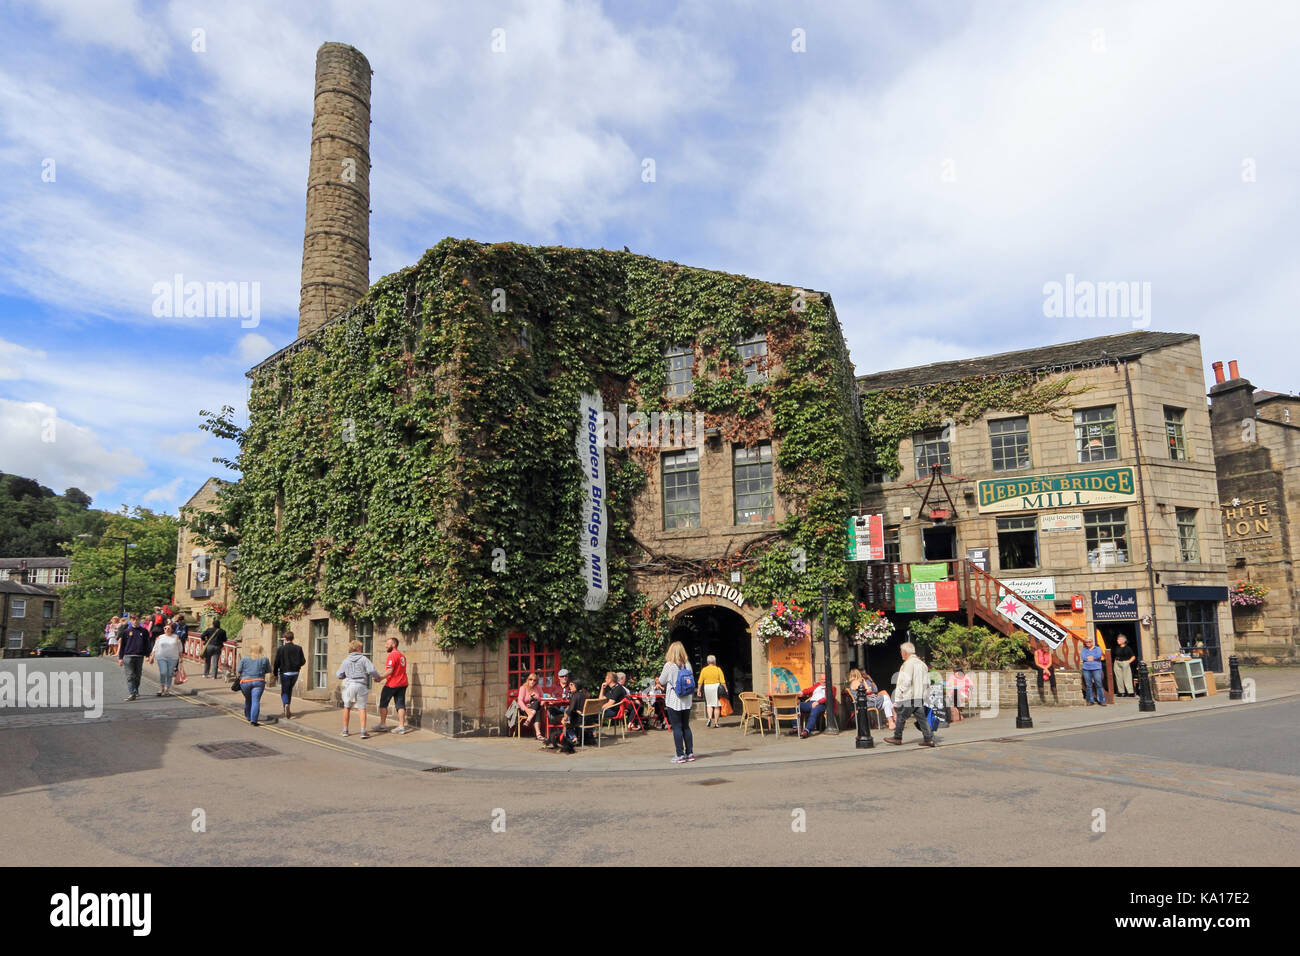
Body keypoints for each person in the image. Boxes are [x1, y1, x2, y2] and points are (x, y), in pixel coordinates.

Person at [885, 642, 935, 747]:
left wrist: (899, 695)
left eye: (901, 651)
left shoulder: (908, 664)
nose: (901, 653)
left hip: (909, 696)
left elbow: (905, 681)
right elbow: (927, 682)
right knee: (922, 719)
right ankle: (928, 739)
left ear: (905, 652)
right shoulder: (922, 664)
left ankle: (897, 738)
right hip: (919, 696)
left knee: (901, 716)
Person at [656, 641, 695, 763]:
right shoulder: (687, 664)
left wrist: (658, 680)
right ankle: (690, 753)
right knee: (686, 727)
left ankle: (680, 755)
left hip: (674, 700)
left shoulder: (669, 665)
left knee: (677, 727)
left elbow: (662, 681)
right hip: (687, 700)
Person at [336, 639, 381, 738]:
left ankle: (345, 730)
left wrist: (345, 675)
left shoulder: (346, 660)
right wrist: (378, 677)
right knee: (361, 708)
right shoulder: (364, 659)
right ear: (358, 648)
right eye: (361, 647)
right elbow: (372, 670)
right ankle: (363, 731)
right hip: (361, 685)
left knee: (347, 707)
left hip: (349, 685)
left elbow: (339, 674)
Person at [374, 636, 410, 734]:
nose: (386, 646)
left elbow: (390, 670)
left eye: (387, 644)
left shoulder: (392, 655)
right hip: (403, 683)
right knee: (400, 704)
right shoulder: (402, 656)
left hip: (392, 683)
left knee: (383, 703)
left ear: (393, 644)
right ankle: (401, 726)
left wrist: (380, 678)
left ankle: (383, 724)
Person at [273, 631, 307, 719]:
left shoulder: (281, 649)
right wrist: (297, 665)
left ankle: (286, 704)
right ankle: (287, 707)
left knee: (284, 691)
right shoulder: (298, 648)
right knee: (289, 690)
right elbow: (303, 661)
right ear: (293, 638)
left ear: (285, 638)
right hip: (295, 673)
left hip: (285, 673)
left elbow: (276, 662)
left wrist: (275, 674)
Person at [117, 613, 150, 701]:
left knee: (137, 675)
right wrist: (120, 658)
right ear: (131, 620)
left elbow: (147, 644)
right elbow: (122, 646)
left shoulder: (144, 631)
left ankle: (135, 689)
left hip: (139, 656)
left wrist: (147, 655)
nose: (135, 621)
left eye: (137, 619)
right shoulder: (126, 632)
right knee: (130, 675)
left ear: (139, 620)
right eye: (133, 619)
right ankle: (132, 693)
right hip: (128, 656)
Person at [237, 642, 272, 726]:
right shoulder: (265, 659)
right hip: (258, 681)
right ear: (261, 650)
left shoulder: (244, 659)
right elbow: (269, 670)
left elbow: (239, 670)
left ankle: (248, 716)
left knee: (248, 699)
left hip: (245, 682)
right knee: (255, 700)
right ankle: (254, 720)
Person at [148, 624, 182, 696]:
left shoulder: (176, 637)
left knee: (169, 674)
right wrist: (152, 656)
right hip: (161, 657)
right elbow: (155, 647)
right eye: (165, 628)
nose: (166, 629)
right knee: (163, 672)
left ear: (172, 630)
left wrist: (181, 658)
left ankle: (167, 689)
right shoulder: (160, 637)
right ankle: (161, 687)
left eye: (168, 628)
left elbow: (180, 648)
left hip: (173, 658)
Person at [698, 655, 727, 728]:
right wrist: (725, 689)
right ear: (714, 661)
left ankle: (709, 718)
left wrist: (699, 690)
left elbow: (700, 681)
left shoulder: (704, 670)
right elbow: (722, 681)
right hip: (716, 687)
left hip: (707, 687)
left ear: (708, 661)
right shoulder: (718, 669)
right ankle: (716, 723)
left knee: (709, 704)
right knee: (716, 706)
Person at [517, 672, 545, 741]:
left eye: (534, 680)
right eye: (531, 679)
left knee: (536, 703)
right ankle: (538, 734)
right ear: (528, 680)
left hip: (534, 709)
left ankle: (528, 720)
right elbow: (520, 701)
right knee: (537, 710)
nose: (532, 681)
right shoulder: (523, 688)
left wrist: (541, 703)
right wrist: (526, 709)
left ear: (536, 681)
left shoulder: (538, 688)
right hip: (525, 709)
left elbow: (543, 697)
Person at [1080, 635, 1106, 705]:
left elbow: (1098, 655)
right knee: (1088, 685)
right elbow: (1084, 657)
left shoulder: (1097, 649)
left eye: (1089, 642)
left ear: (1092, 642)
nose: (1088, 643)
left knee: (1099, 684)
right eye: (1086, 642)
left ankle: (1101, 700)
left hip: (1096, 668)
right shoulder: (1084, 650)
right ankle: (1090, 700)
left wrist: (1092, 658)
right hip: (1086, 669)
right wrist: (1093, 658)